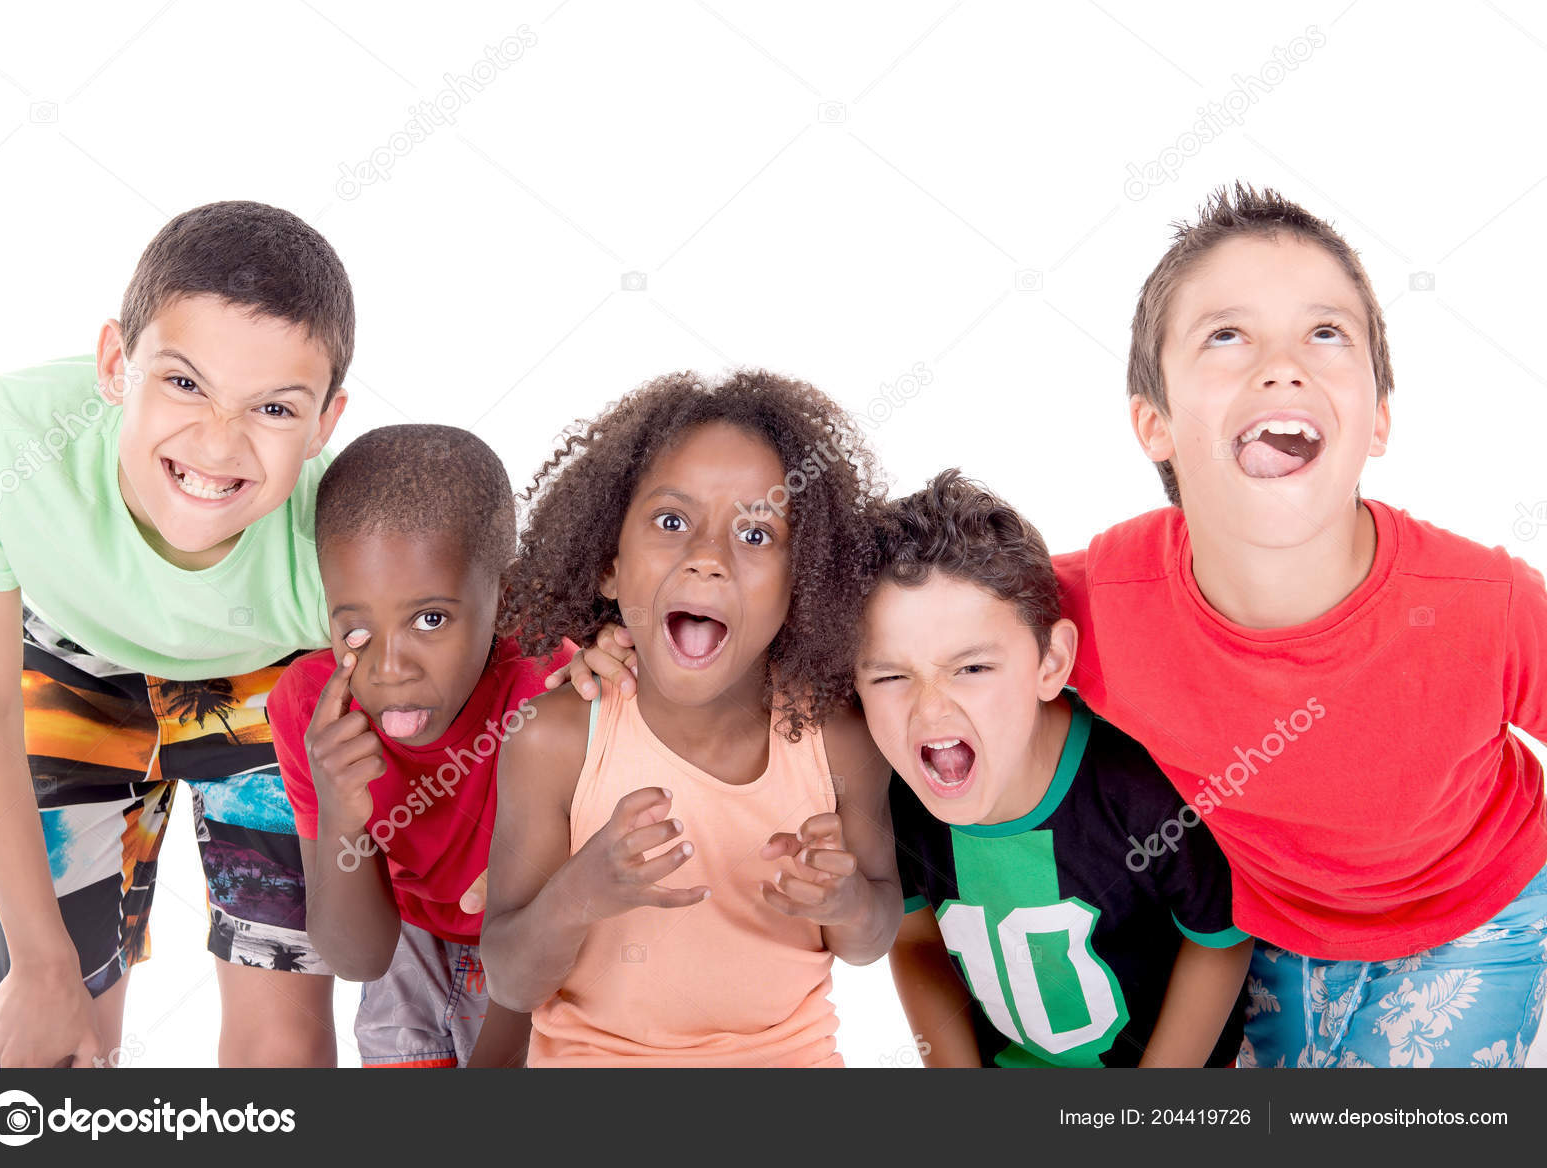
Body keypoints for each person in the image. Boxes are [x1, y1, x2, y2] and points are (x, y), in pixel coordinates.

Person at [1055, 183, 1547, 1067]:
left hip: (1484, 912)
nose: (1283, 365)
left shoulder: (1486, 600)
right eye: (1226, 334)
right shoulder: (1096, 602)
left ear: (1379, 420)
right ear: (1155, 424)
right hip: (1263, 934)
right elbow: (915, 628)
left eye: (1326, 333)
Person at [0, 201, 353, 1066]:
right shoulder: (3, 441)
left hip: (265, 681)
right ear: (114, 364)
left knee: (282, 1041)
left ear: (326, 423)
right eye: (183, 382)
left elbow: (482, 638)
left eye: (275, 409)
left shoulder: (344, 535)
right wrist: (43, 963)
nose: (217, 440)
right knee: (52, 1036)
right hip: (70, 665)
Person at [478, 369, 902, 1066]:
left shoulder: (839, 740)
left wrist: (848, 900)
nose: (707, 558)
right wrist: (577, 895)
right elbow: (511, 979)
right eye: (672, 522)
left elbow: (872, 937)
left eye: (757, 534)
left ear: (803, 583)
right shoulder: (555, 741)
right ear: (610, 566)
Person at [862, 470, 1249, 1067]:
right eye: (890, 676)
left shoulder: (1137, 790)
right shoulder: (897, 799)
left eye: (973, 669)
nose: (930, 708)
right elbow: (916, 940)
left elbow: (1218, 942)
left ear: (1052, 661)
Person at [268, 425, 574, 1067]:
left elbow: (552, 937)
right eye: (355, 630)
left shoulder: (555, 695)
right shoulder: (310, 709)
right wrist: (341, 814)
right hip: (406, 938)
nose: (388, 668)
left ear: (507, 596)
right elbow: (359, 957)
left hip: (548, 947)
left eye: (429, 620)